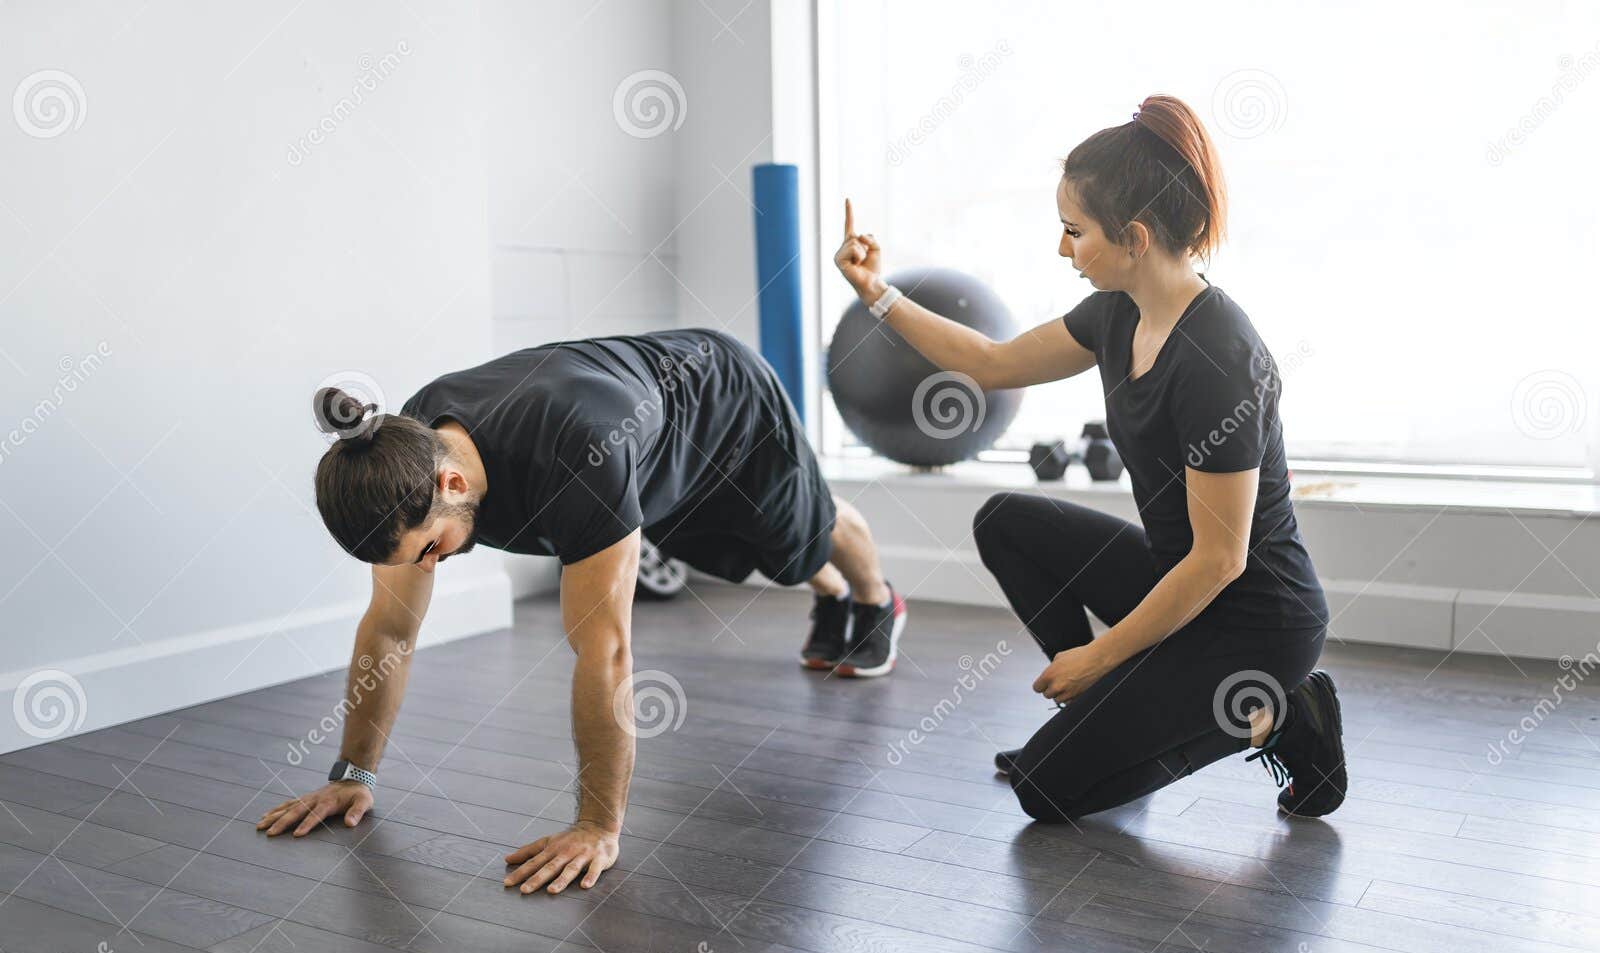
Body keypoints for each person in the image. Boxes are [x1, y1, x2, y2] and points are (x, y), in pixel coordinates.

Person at [834, 93, 1346, 821]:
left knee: (1043, 790)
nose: (1062, 249)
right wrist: (875, 292)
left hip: (1256, 623)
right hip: (1178, 584)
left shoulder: (1218, 358)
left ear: (1134, 237)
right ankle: (1098, 719)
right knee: (1006, 522)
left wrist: (1097, 658)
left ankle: (1286, 716)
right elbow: (990, 362)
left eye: (1075, 232)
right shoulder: (1117, 312)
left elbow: (1219, 562)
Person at [257, 326, 907, 894]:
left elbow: (607, 649)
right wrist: (353, 774)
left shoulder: (580, 453)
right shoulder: (404, 456)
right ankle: (828, 593)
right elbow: (391, 630)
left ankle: (876, 600)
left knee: (803, 534)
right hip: (649, 446)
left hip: (727, 405)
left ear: (451, 484)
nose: (426, 568)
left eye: (429, 550)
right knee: (764, 557)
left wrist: (597, 826)